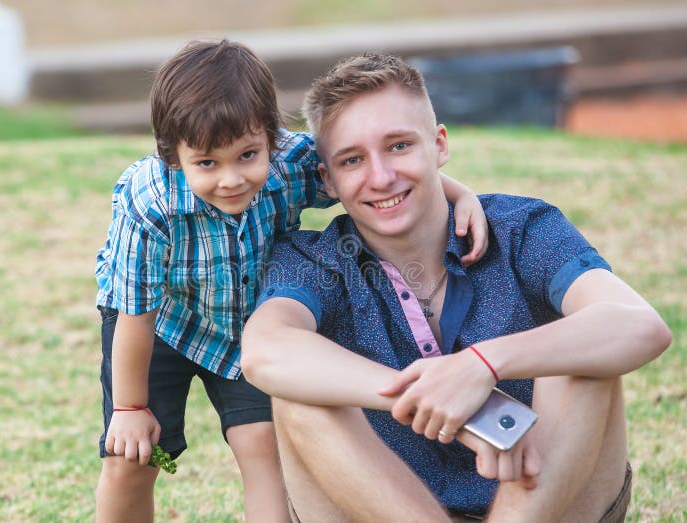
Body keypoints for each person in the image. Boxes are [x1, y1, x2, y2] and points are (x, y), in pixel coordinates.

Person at [241, 53, 672, 522]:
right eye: (352, 159)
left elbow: (639, 325)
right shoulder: (313, 260)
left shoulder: (521, 228)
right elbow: (266, 350)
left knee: (582, 352)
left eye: (400, 146)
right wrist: (444, 396)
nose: (381, 176)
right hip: (383, 509)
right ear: (328, 178)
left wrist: (481, 365)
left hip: (549, 504)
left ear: (439, 145)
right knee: (299, 394)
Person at [93, 40, 489, 522]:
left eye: (247, 154)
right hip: (160, 325)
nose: (232, 179)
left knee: (264, 446)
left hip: (250, 328)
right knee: (133, 456)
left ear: (271, 137)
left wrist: (459, 192)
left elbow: (369, 175)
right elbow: (135, 313)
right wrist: (131, 409)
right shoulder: (150, 202)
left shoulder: (295, 165)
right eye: (207, 164)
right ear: (173, 156)